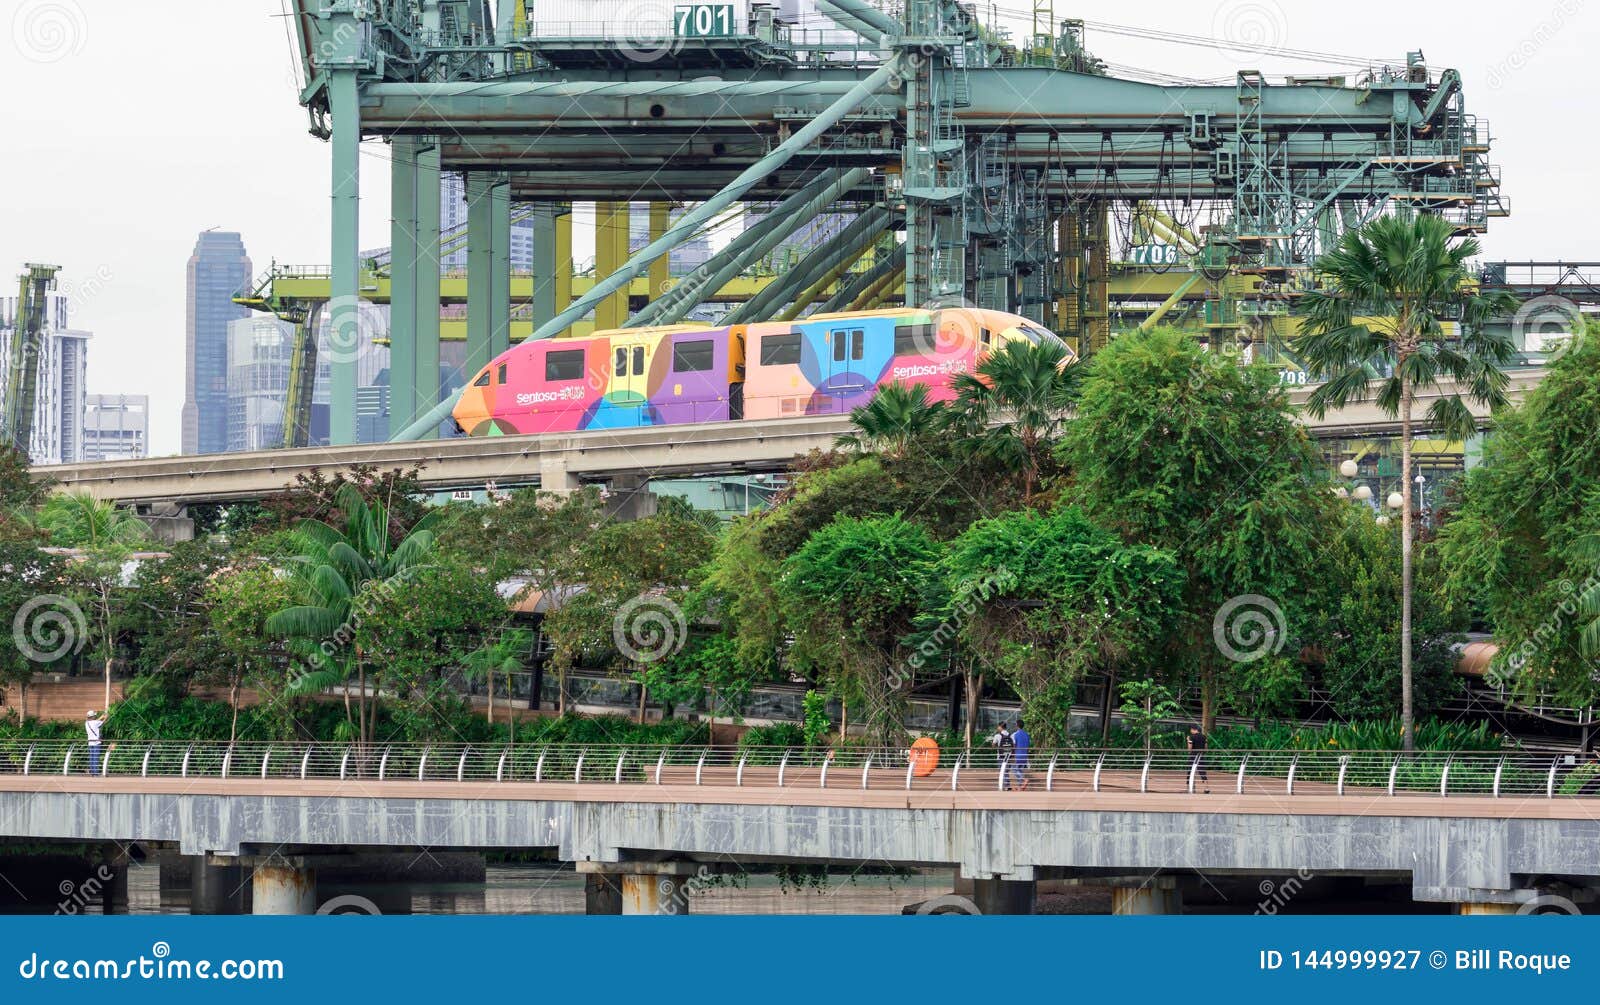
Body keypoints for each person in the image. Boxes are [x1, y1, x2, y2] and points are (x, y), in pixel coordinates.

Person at [1009, 719, 1031, 790]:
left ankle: (1024, 779)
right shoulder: (1027, 734)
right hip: (1025, 755)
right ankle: (1020, 787)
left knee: (1014, 769)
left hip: (1018, 755)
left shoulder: (1015, 734)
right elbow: (1028, 746)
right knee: (1020, 770)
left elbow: (1014, 746)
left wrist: (1012, 755)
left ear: (1016, 725)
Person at [1187, 724, 1209, 793]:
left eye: (1191, 729)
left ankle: (1190, 787)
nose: (1190, 731)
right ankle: (1206, 788)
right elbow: (1206, 747)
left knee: (1190, 771)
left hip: (1193, 756)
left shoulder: (1191, 737)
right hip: (1201, 756)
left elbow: (1190, 749)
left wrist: (1188, 741)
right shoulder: (1204, 737)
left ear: (1194, 729)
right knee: (1202, 772)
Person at [85, 710, 103, 777]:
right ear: (93, 716)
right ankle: (96, 773)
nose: (96, 716)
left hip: (90, 742)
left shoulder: (86, 723)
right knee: (96, 758)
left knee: (91, 757)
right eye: (95, 715)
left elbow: (96, 722)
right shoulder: (96, 722)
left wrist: (101, 717)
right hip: (96, 742)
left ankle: (92, 772)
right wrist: (105, 717)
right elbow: (103, 722)